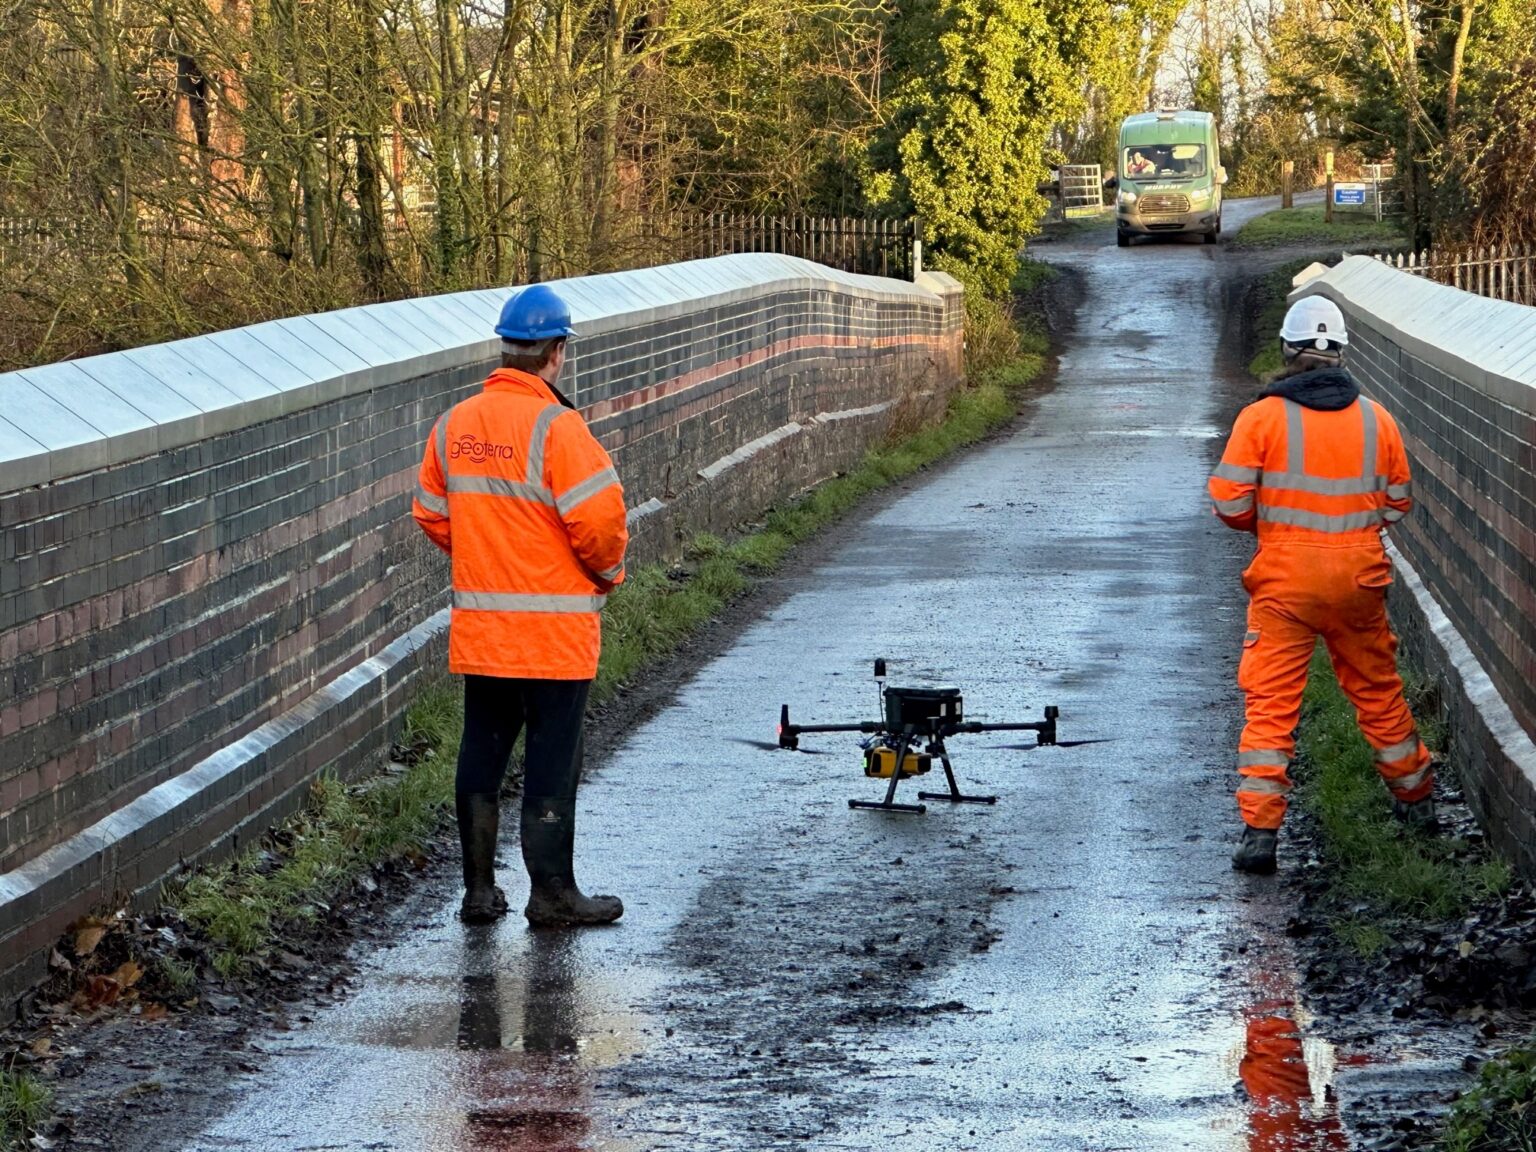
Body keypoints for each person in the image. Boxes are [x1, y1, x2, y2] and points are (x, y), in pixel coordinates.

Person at [413, 284, 628, 925]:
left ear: (506, 350)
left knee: (482, 748)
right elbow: (601, 526)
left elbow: (431, 513)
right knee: (553, 757)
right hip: (555, 637)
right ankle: (553, 894)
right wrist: (606, 575)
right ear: (556, 352)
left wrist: (486, 550)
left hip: (485, 630)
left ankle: (479, 893)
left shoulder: (455, 424)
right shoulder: (560, 428)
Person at [1209, 295, 1435, 875]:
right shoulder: (1376, 419)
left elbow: (1229, 502)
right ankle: (1417, 804)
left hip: (1284, 583)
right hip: (1359, 578)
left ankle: (1260, 834)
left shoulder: (1261, 418)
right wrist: (1352, 530)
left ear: (1288, 351)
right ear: (1341, 353)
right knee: (1377, 690)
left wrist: (1277, 522)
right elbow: (1399, 502)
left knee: (1271, 705)